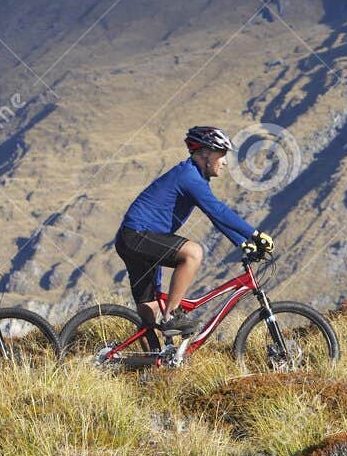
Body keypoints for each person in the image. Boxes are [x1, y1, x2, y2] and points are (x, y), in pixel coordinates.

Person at [115, 126, 274, 335]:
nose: (225, 162)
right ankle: (172, 316)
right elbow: (218, 210)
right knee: (193, 253)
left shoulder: (192, 176)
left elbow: (214, 216)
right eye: (222, 155)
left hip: (134, 239)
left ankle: (150, 360)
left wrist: (242, 243)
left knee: (149, 309)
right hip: (138, 236)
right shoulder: (189, 177)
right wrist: (255, 235)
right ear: (205, 154)